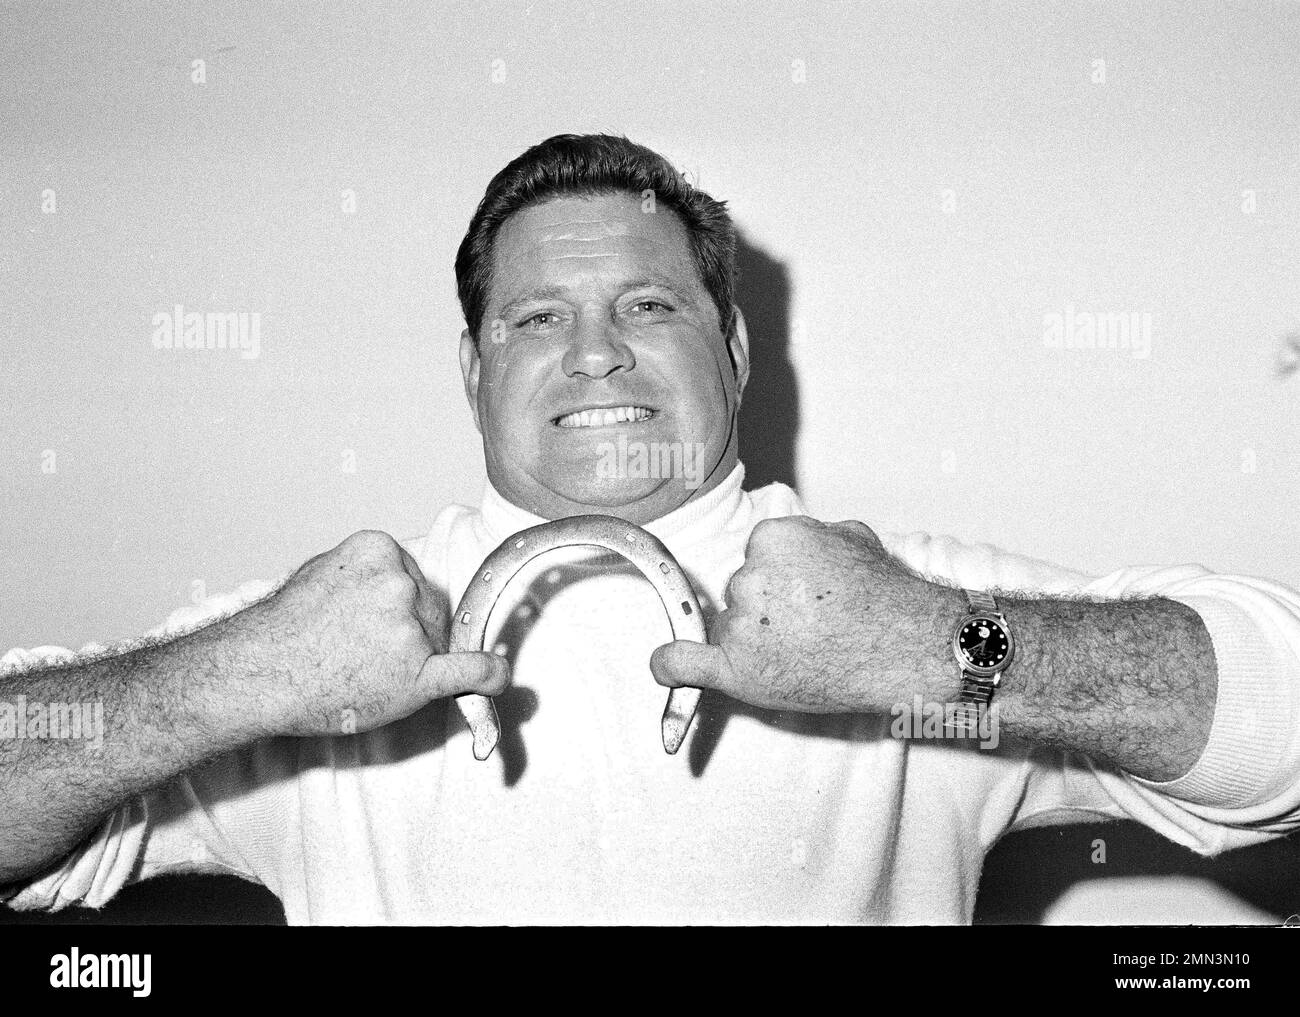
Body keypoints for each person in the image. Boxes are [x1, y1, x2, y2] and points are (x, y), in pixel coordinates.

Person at [2, 134, 1298, 924]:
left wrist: (932, 650)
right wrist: (239, 678)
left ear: (732, 349)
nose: (598, 355)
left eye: (650, 306)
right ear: (471, 368)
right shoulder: (327, 641)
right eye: (535, 319)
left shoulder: (899, 603)